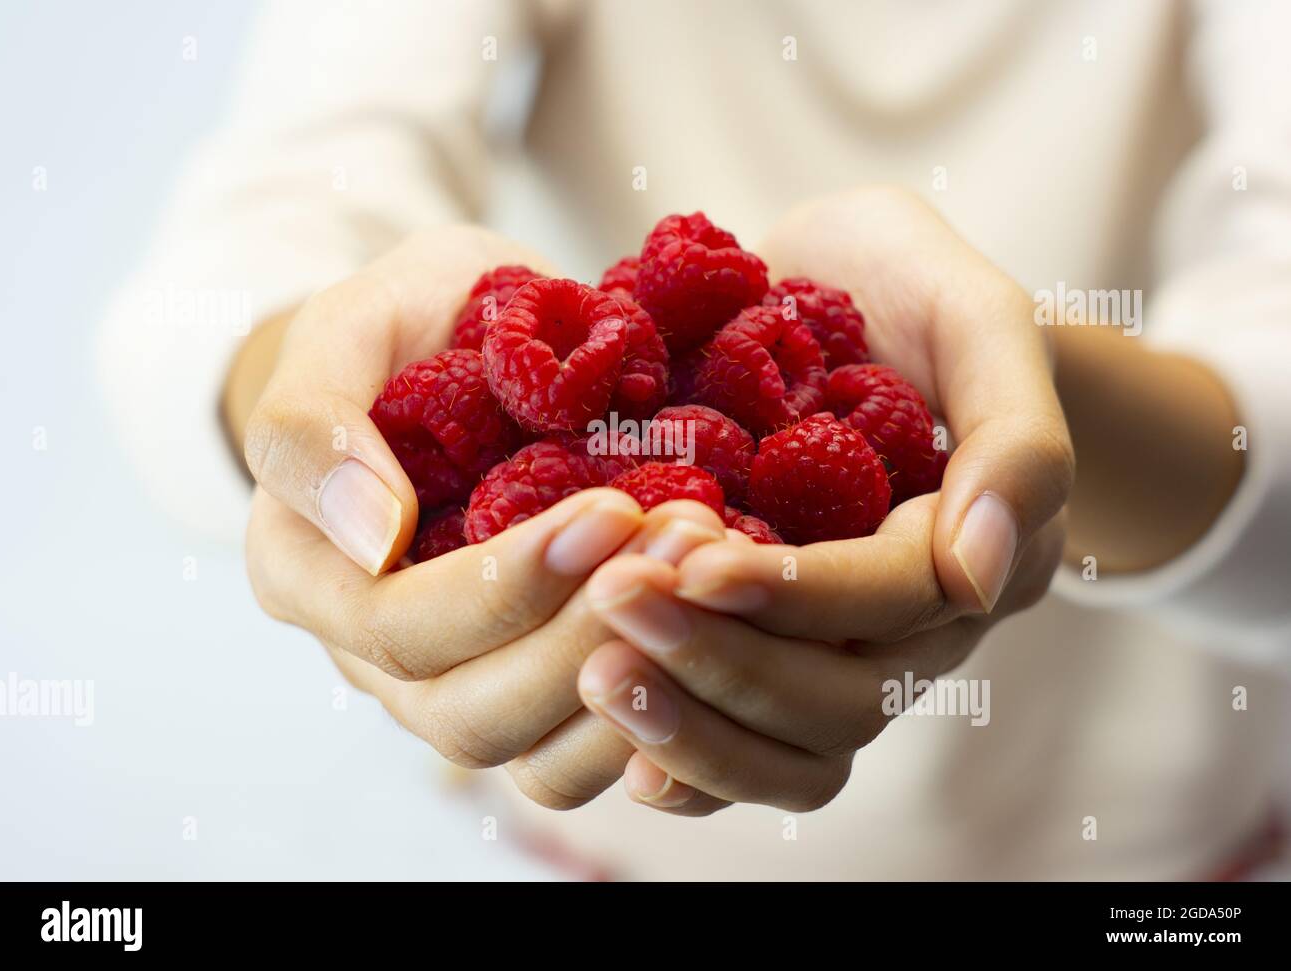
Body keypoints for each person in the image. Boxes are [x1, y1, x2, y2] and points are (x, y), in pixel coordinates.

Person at [99, 0, 1291, 879]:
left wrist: (1023, 389)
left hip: (1149, 848)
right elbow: (274, 212)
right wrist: (310, 396)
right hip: (620, 835)